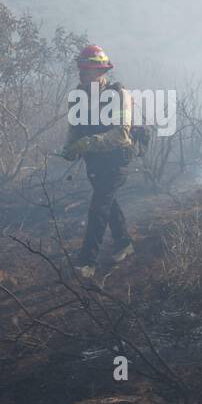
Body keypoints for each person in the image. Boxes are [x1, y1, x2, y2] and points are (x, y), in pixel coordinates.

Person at [60, 44, 136, 278]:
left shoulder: (119, 95)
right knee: (108, 203)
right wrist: (70, 148)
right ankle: (124, 243)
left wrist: (89, 142)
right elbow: (74, 130)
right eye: (80, 69)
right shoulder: (78, 96)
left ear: (101, 72)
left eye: (87, 70)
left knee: (98, 207)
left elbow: (122, 133)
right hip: (94, 162)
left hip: (116, 161)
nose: (81, 74)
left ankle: (87, 262)